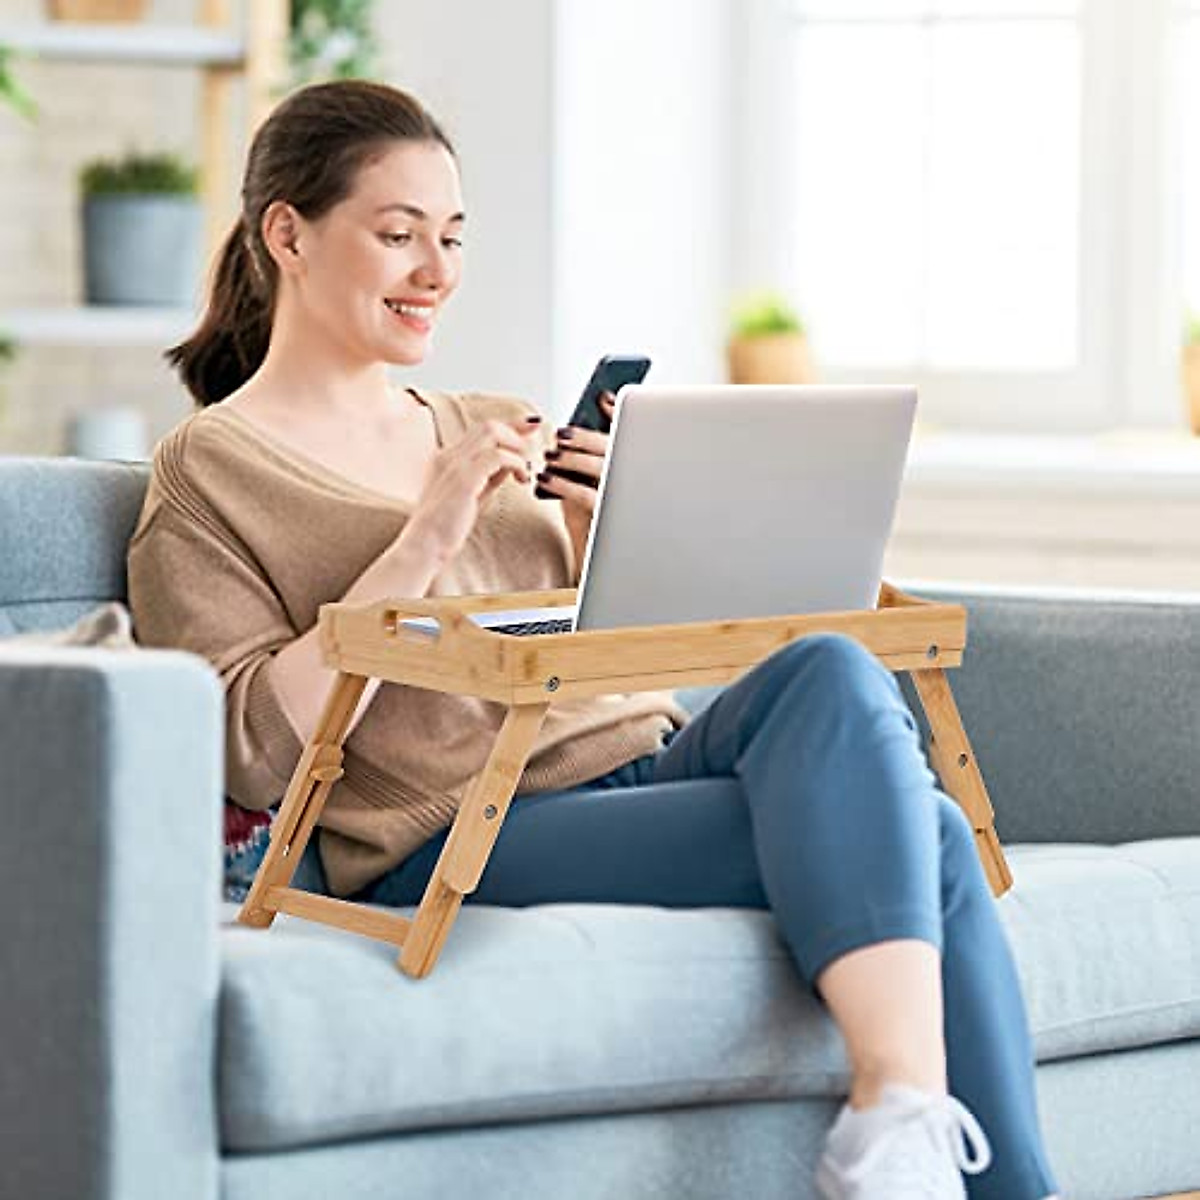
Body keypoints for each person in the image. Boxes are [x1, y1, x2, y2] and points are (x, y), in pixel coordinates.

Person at [126, 79, 1061, 1200]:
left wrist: (602, 535)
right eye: (399, 234)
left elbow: (613, 654)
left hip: (640, 767)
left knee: (832, 668)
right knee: (931, 831)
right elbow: (246, 752)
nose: (438, 271)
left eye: (454, 237)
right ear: (288, 233)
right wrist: (424, 537)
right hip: (464, 836)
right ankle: (913, 1132)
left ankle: (897, 1122)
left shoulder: (483, 421)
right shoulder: (207, 474)